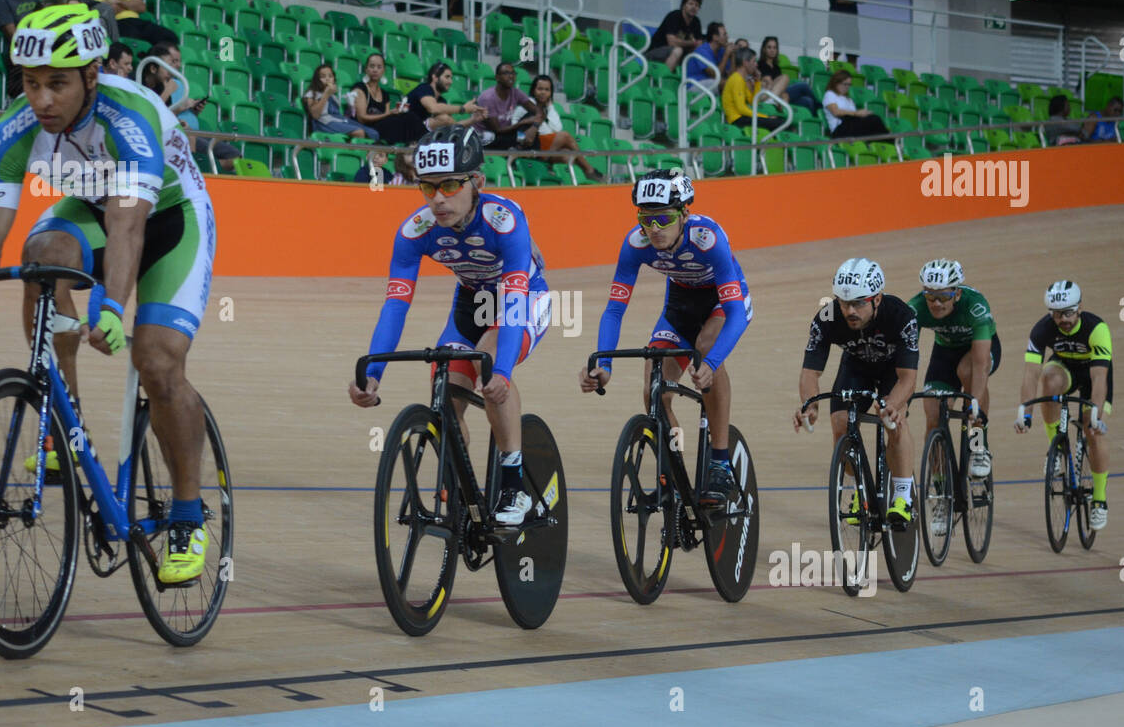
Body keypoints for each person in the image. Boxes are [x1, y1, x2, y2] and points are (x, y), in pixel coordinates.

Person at [0, 4, 217, 583]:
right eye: (31, 84)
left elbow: (131, 228)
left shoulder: (126, 117)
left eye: (57, 83)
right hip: (96, 206)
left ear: (91, 77)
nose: (42, 100)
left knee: (155, 359)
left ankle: (186, 513)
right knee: (42, 254)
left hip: (172, 219)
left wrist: (108, 306)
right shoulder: (14, 128)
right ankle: (63, 424)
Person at [349, 126, 553, 526]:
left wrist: (504, 370)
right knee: (444, 383)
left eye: (449, 185)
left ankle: (513, 485)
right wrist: (373, 374)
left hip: (522, 296)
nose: (438, 199)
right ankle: (461, 486)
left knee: (491, 362)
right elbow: (395, 306)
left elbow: (512, 302)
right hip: (472, 301)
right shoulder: (415, 232)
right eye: (427, 188)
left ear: (476, 181)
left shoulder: (505, 220)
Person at [581, 170, 753, 509]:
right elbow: (614, 310)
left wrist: (713, 363)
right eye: (646, 219)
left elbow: (735, 311)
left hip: (722, 303)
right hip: (680, 306)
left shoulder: (709, 238)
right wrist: (604, 364)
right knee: (653, 388)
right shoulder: (636, 244)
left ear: (684, 214)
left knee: (704, 352)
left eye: (663, 218)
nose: (654, 228)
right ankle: (674, 473)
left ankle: (720, 462)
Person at [794, 259, 919, 527]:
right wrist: (809, 405)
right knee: (840, 423)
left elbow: (908, 378)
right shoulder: (827, 316)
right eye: (843, 302)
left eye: (858, 303)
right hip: (856, 366)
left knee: (895, 422)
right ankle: (859, 491)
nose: (850, 310)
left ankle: (902, 494)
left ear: (877, 299)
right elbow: (810, 372)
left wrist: (893, 405)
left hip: (892, 371)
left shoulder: (901, 315)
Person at [1015, 281, 1113, 530]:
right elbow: (1030, 374)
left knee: (1093, 431)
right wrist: (1025, 413)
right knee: (1048, 379)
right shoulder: (1042, 329)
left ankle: (1100, 500)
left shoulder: (1097, 328)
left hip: (1094, 374)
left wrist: (1096, 415)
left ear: (1080, 308)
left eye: (1068, 312)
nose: (1064, 319)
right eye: (1058, 314)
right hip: (1065, 369)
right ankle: (1056, 448)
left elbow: (1100, 378)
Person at [906, 259, 1000, 493]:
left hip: (978, 349)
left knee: (968, 374)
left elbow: (980, 365)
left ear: (957, 293)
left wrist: (974, 404)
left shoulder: (975, 306)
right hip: (945, 352)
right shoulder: (916, 308)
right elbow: (907, 357)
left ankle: (978, 447)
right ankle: (940, 491)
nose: (936, 304)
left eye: (944, 297)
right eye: (930, 296)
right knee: (933, 414)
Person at [143, 41, 239, 173]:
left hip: (189, 130)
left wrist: (192, 111)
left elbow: (166, 114)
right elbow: (152, 115)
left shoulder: (165, 84)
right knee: (202, 150)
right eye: (170, 64)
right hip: (173, 135)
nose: (174, 68)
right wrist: (169, 93)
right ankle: (205, 168)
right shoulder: (143, 85)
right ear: (153, 68)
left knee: (235, 155)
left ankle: (205, 167)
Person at [514, 74, 603, 181]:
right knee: (565, 136)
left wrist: (550, 106)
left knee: (568, 157)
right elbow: (515, 125)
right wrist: (522, 140)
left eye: (547, 90)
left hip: (547, 146)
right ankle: (589, 170)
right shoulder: (526, 105)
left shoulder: (547, 107)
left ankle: (577, 185)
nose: (543, 92)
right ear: (533, 90)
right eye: (540, 89)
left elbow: (557, 128)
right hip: (532, 145)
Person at [393, 62, 485, 144]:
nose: (450, 81)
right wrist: (463, 109)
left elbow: (452, 125)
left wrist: (473, 119)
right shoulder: (424, 88)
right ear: (435, 77)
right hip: (403, 130)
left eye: (451, 78)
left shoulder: (442, 101)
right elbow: (433, 108)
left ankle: (469, 137)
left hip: (421, 136)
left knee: (445, 123)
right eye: (447, 77)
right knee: (443, 118)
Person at [303, 63, 379, 141]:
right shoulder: (312, 93)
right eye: (323, 77)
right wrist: (326, 94)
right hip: (324, 123)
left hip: (340, 120)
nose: (327, 79)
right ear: (317, 80)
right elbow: (315, 115)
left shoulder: (333, 96)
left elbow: (339, 114)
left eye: (330, 76)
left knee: (374, 134)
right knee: (359, 132)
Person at [474, 62, 540, 149]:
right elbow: (497, 130)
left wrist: (534, 127)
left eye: (513, 73)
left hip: (505, 133)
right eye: (506, 73)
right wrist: (522, 122)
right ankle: (517, 150)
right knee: (521, 137)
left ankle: (519, 152)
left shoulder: (515, 92)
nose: (511, 76)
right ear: (497, 78)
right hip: (486, 137)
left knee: (532, 130)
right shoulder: (488, 98)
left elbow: (539, 112)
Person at [351, 53, 414, 144]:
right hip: (368, 126)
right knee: (393, 123)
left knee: (409, 118)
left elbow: (386, 116)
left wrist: (394, 113)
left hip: (383, 125)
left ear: (383, 70)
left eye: (379, 67)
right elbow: (362, 118)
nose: (375, 70)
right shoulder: (360, 88)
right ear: (366, 69)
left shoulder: (385, 94)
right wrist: (388, 114)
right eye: (372, 66)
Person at [722, 47, 784, 132]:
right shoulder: (737, 79)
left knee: (780, 121)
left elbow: (753, 101)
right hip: (736, 119)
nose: (756, 64)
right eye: (754, 61)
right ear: (745, 63)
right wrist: (765, 117)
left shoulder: (742, 79)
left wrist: (757, 82)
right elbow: (741, 109)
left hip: (742, 117)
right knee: (780, 123)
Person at [757, 36, 820, 115]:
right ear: (764, 49)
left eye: (774, 48)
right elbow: (768, 83)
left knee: (808, 101)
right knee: (803, 86)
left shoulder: (776, 67)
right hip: (769, 95)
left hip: (782, 94)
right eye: (769, 47)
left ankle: (816, 120)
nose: (772, 50)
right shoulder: (760, 64)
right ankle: (820, 106)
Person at [823, 70, 890, 140]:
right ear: (836, 83)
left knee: (874, 127)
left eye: (849, 85)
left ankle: (888, 139)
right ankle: (889, 138)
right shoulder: (830, 94)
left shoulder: (849, 99)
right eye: (845, 84)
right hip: (839, 129)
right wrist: (857, 113)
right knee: (874, 120)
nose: (847, 87)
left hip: (850, 126)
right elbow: (836, 112)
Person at [646, 0, 704, 71]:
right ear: (684, 5)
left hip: (678, 54)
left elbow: (699, 45)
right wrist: (691, 43)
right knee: (678, 50)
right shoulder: (674, 16)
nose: (694, 7)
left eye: (697, 5)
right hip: (655, 52)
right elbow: (672, 43)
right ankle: (665, 78)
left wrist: (693, 45)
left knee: (696, 55)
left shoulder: (696, 22)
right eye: (690, 4)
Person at [685, 22, 737, 88]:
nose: (727, 37)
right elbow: (715, 75)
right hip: (694, 85)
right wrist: (726, 55)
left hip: (710, 83)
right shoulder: (702, 51)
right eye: (724, 34)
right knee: (728, 84)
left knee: (736, 81)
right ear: (715, 37)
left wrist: (733, 55)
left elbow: (731, 75)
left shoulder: (721, 50)